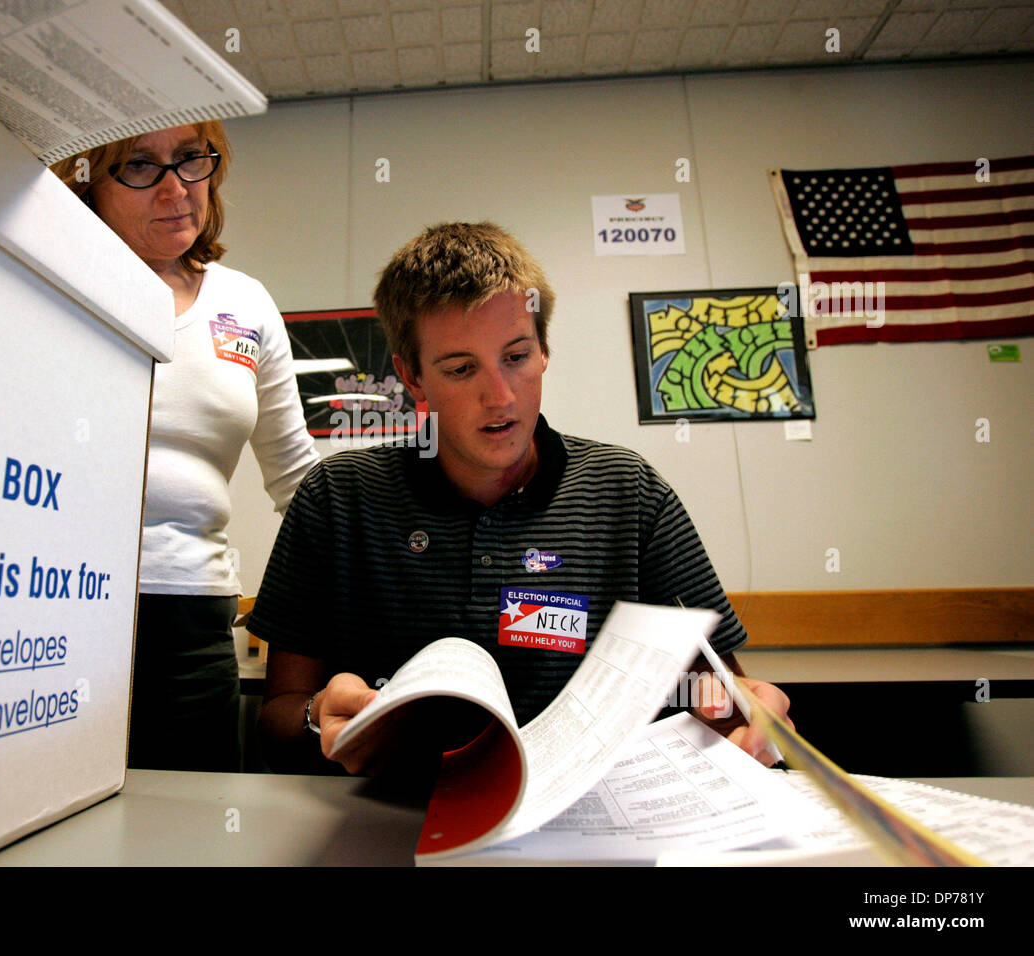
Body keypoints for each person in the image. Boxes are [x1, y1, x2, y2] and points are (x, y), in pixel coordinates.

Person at [251, 221, 793, 775]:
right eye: (462, 369)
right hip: (382, 826)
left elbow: (718, 696)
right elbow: (276, 718)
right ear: (412, 377)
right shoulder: (336, 498)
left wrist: (743, 718)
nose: (501, 397)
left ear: (544, 350)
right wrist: (320, 717)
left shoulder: (630, 493)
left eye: (516, 356)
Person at [51, 123, 318, 771]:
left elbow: (298, 481)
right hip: (61, 607)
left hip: (195, 615)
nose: (175, 188)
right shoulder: (52, 278)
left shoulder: (243, 302)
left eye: (190, 160)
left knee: (189, 818)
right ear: (91, 183)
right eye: (140, 165)